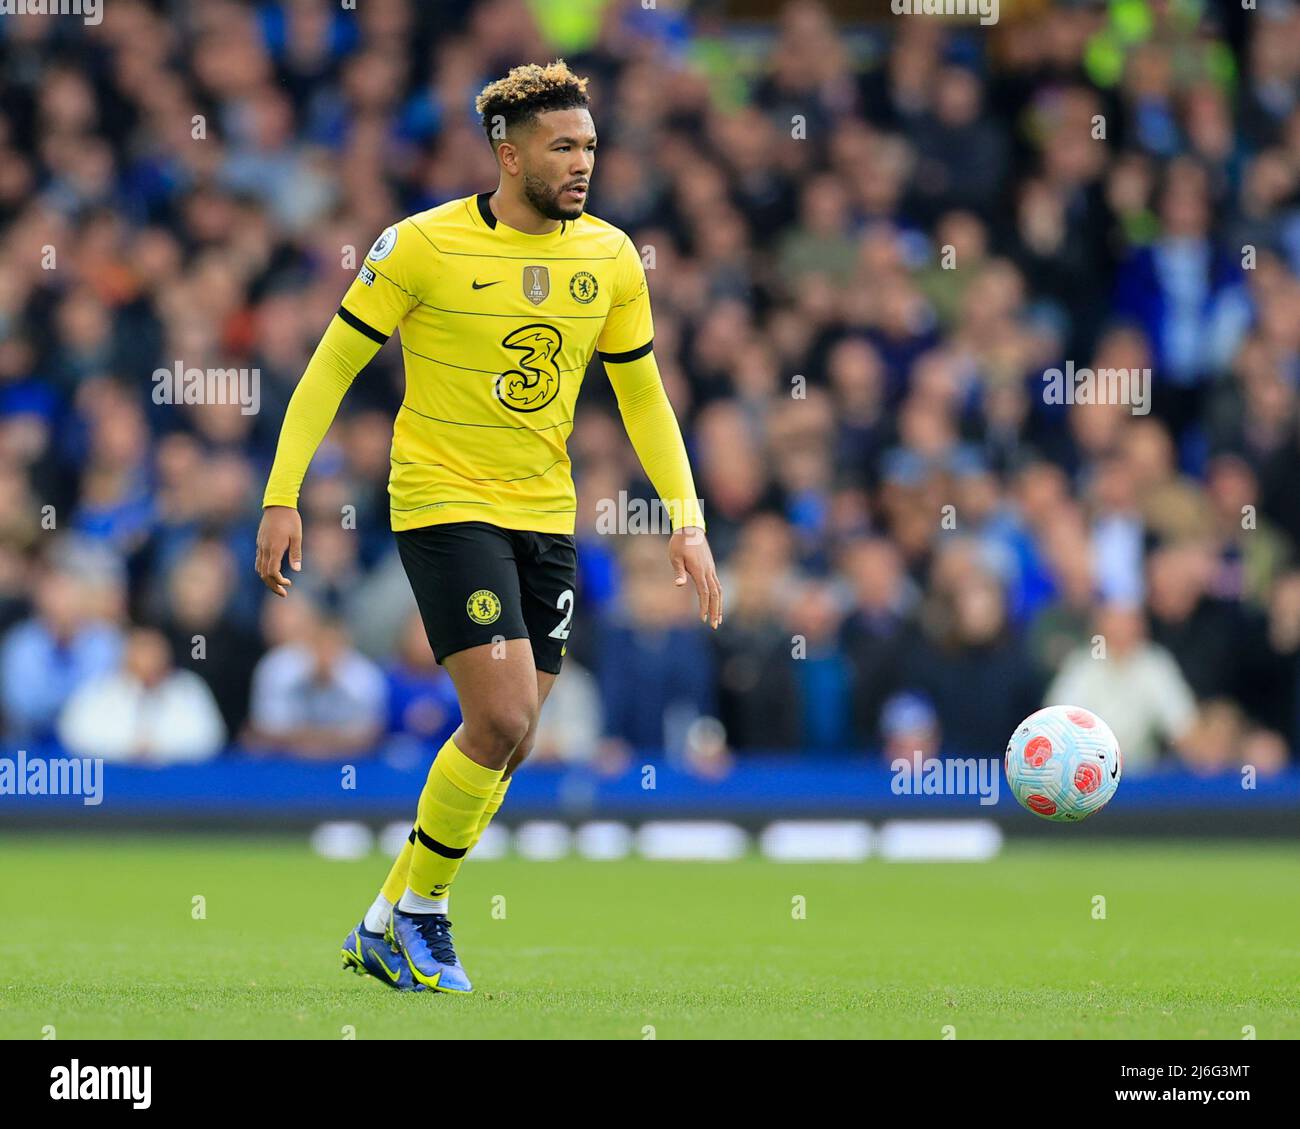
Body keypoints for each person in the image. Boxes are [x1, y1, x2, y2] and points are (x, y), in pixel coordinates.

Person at [254, 61, 722, 994]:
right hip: (443, 500)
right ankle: (425, 912)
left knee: (517, 736)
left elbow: (644, 394)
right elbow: (328, 369)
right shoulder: (420, 246)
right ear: (508, 154)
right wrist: (281, 492)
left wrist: (687, 518)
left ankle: (385, 918)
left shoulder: (612, 257)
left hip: (544, 514)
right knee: (499, 714)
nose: (584, 162)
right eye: (563, 146)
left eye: (590, 144)